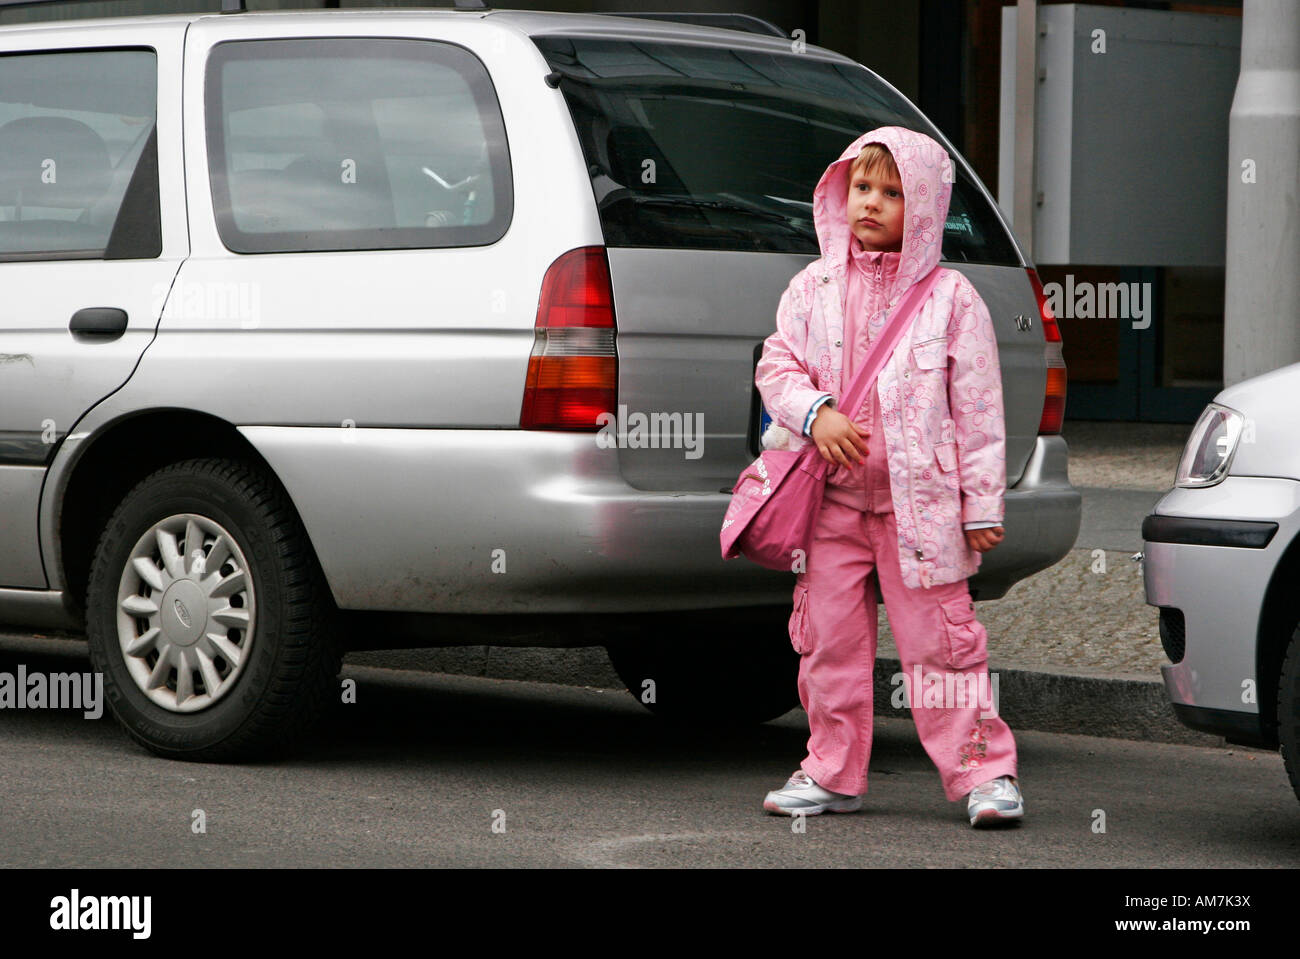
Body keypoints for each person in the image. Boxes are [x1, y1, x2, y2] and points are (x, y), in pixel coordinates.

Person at [754, 126, 1024, 827]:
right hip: (830, 505)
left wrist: (980, 502)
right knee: (828, 644)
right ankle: (831, 769)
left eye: (893, 192)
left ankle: (985, 775)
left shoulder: (952, 298)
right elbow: (776, 367)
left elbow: (980, 408)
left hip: (922, 508)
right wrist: (816, 413)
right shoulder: (811, 287)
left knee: (943, 645)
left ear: (927, 206)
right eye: (862, 188)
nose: (871, 203)